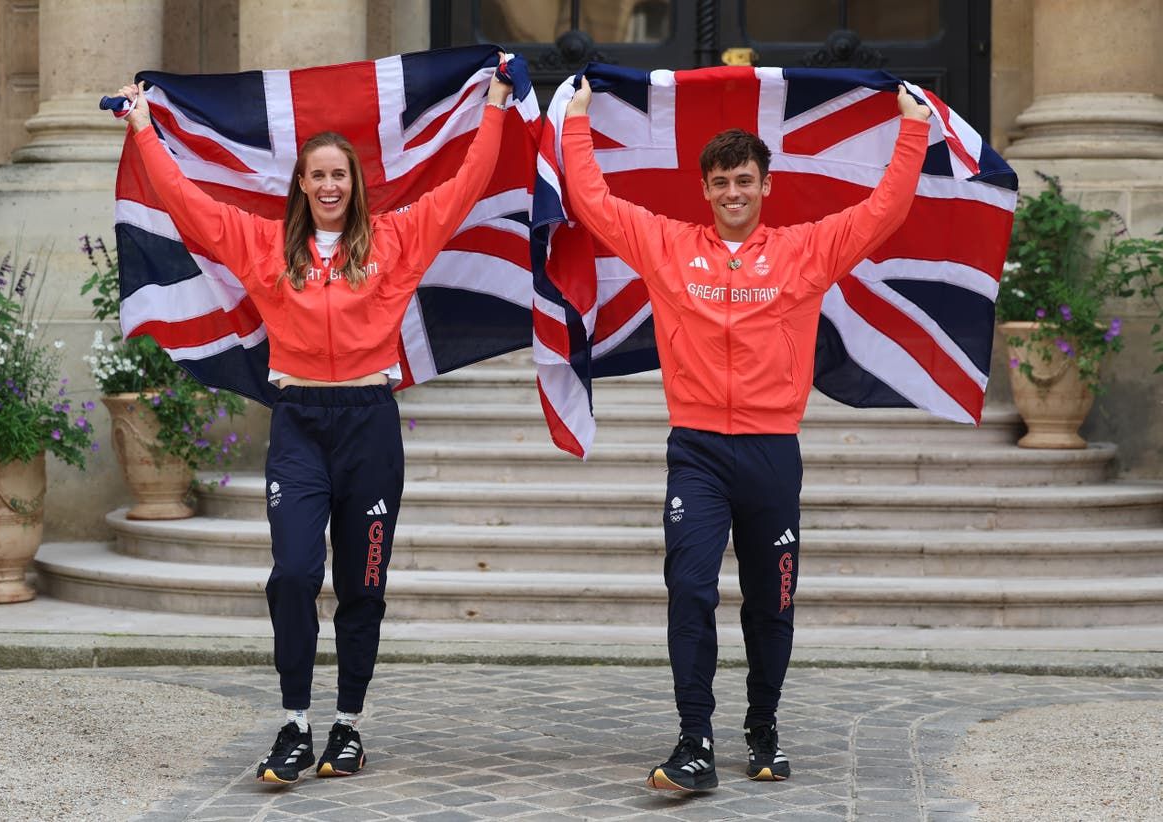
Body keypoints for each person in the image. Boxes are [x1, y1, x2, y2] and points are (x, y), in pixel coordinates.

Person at [112, 65, 512, 785]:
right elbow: (186, 202)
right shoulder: (264, 246)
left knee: (363, 585)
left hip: (369, 425)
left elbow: (467, 186)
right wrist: (143, 127)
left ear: (355, 185)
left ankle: (349, 726)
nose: (330, 186)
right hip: (298, 422)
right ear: (301, 184)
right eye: (318, 175)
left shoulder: (397, 239)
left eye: (341, 175)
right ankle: (295, 723)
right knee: (294, 574)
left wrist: (494, 105)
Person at [561, 76, 931, 792]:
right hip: (696, 448)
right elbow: (595, 204)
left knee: (771, 600)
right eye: (722, 181)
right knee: (691, 589)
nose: (733, 191)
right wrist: (576, 119)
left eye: (745, 180)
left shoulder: (805, 250)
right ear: (705, 189)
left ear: (765, 186)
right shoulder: (668, 247)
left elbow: (885, 209)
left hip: (771, 452)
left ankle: (763, 725)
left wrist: (910, 127)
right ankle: (693, 738)